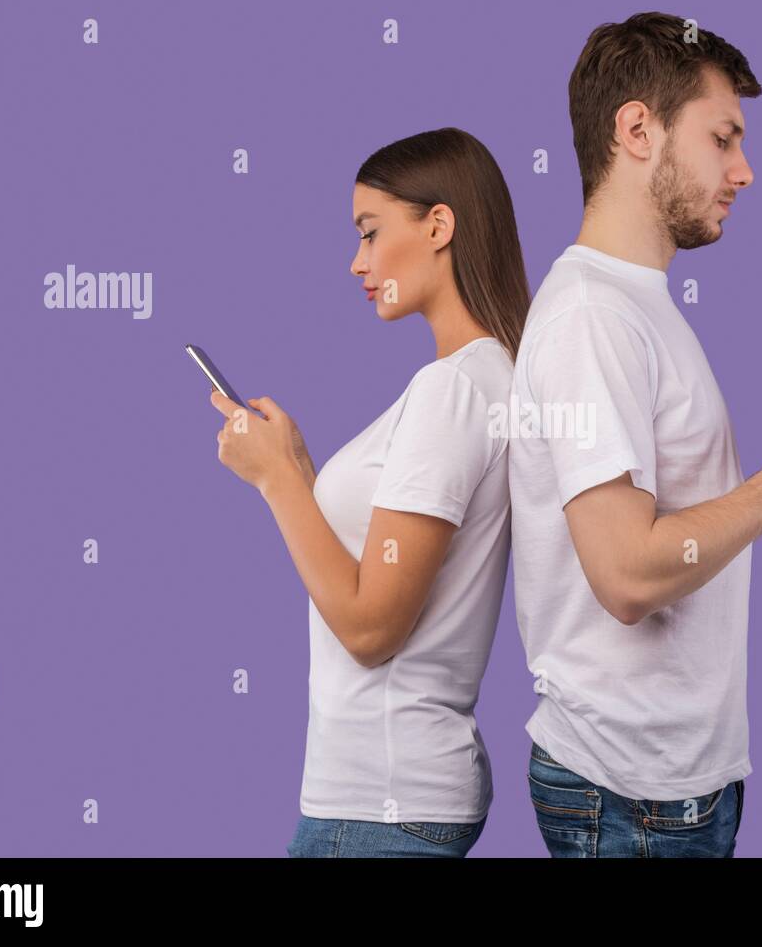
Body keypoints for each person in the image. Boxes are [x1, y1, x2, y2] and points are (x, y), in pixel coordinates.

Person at [510, 12, 762, 857]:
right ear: (638, 129)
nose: (745, 171)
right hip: (631, 797)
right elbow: (626, 575)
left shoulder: (635, 305)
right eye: (723, 138)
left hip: (672, 788)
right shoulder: (591, 319)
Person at [209, 127, 529, 857]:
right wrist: (300, 468)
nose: (357, 262)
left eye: (370, 232)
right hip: (395, 792)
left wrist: (277, 479)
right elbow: (389, 561)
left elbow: (371, 628)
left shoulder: (451, 391)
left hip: (376, 805)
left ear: (439, 225)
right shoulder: (487, 378)